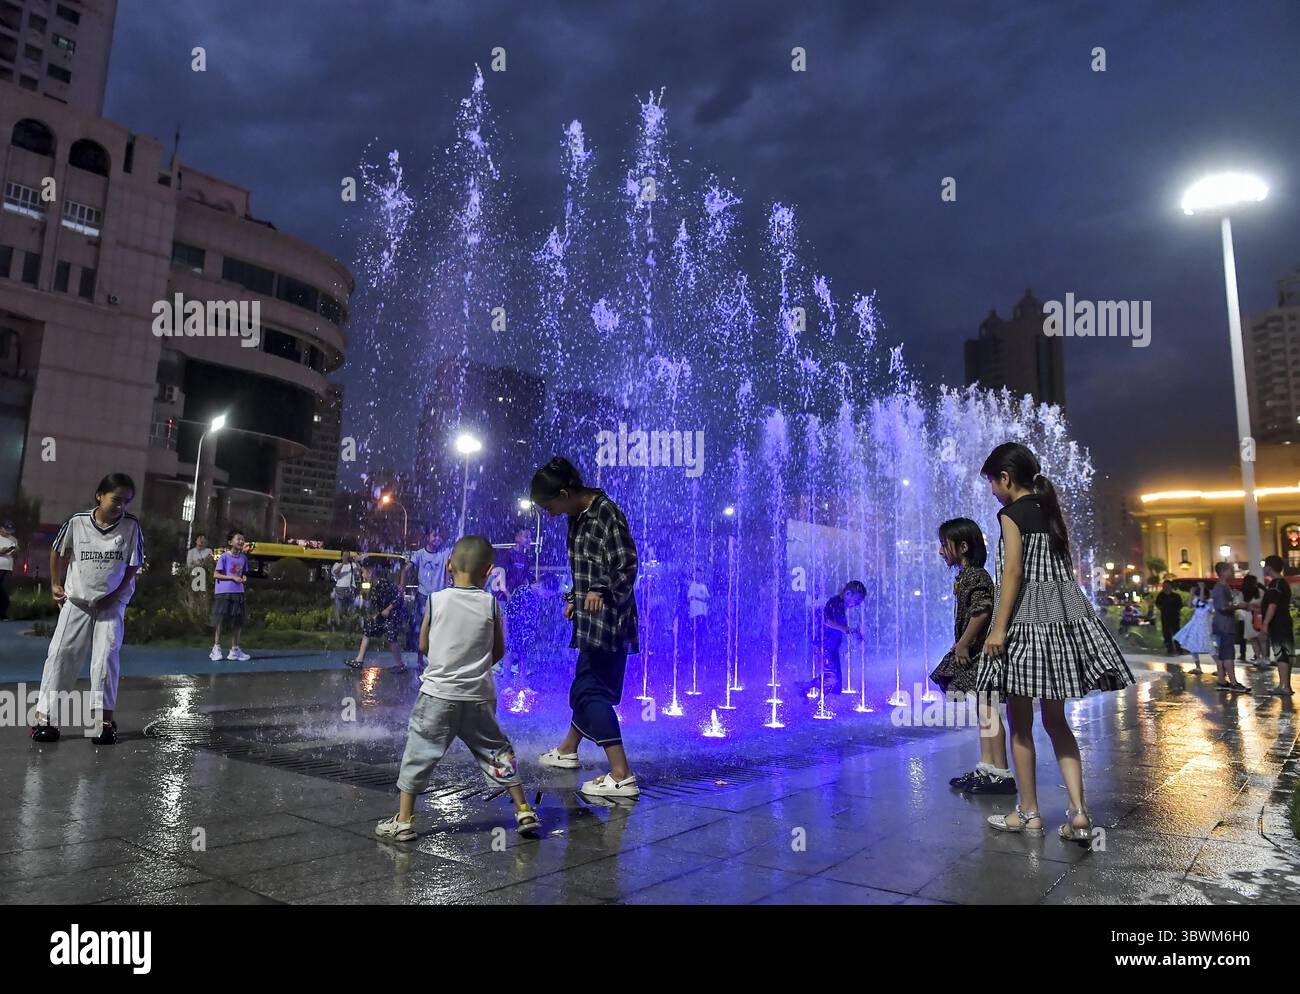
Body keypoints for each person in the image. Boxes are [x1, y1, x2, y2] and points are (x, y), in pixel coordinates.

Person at [976, 442, 1134, 842]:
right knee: (1056, 721)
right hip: (1063, 620)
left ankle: (1028, 814)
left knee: (1020, 726)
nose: (993, 490)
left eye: (993, 482)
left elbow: (1012, 572)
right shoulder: (1049, 511)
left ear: (1006, 479)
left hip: (1026, 624)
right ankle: (1079, 811)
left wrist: (998, 628)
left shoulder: (1010, 514)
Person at [375, 536, 542, 841]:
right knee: (498, 750)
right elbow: (500, 651)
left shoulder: (436, 600)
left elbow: (423, 646)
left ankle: (404, 821)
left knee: (418, 752)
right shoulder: (491, 604)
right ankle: (523, 810)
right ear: (489, 571)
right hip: (478, 696)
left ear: (449, 566)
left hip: (437, 696)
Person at [530, 457, 641, 797]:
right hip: (590, 620)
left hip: (609, 621)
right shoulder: (576, 517)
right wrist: (574, 599)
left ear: (564, 493)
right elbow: (586, 567)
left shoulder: (607, 512)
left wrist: (600, 591)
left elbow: (627, 564)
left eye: (549, 505)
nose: (547, 513)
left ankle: (621, 774)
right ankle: (567, 750)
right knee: (588, 687)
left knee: (590, 692)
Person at [30, 473, 144, 745]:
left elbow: (132, 565)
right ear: (99, 495)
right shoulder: (77, 522)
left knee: (105, 659)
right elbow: (58, 551)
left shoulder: (131, 526)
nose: (121, 506)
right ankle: (44, 718)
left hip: (111, 604)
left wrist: (114, 595)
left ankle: (102, 721)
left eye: (126, 502)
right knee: (60, 655)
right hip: (77, 601)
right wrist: (55, 584)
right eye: (116, 499)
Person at [931, 518, 1012, 795]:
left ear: (963, 547)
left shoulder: (976, 575)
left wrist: (963, 644)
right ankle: (988, 768)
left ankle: (1000, 773)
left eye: (945, 545)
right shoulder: (967, 575)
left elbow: (982, 610)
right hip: (976, 652)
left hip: (981, 654)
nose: (941, 551)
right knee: (983, 710)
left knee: (988, 710)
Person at [798, 579, 866, 700]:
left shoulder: (840, 605)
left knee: (836, 684)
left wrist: (853, 632)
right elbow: (826, 620)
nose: (856, 605)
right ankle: (804, 688)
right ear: (848, 594)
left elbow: (841, 627)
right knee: (832, 678)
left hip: (832, 647)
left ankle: (810, 692)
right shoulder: (834, 602)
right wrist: (845, 629)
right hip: (824, 646)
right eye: (856, 601)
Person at [347, 558, 407, 672]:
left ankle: (400, 665)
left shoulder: (383, 583)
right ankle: (359, 660)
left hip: (393, 615)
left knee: (391, 637)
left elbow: (399, 597)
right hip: (384, 615)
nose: (363, 576)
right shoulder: (374, 586)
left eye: (363, 572)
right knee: (368, 628)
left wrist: (388, 609)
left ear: (370, 572)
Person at [408, 527, 452, 668]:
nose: (437, 539)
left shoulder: (444, 553)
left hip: (439, 597)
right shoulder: (420, 554)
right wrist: (402, 585)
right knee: (422, 628)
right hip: (422, 596)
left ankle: (434, 659)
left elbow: (448, 570)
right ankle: (420, 659)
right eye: (434, 536)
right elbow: (406, 568)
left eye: (439, 536)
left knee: (438, 629)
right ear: (428, 537)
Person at [210, 531, 251, 662]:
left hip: (238, 593)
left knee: (238, 622)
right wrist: (231, 578)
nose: (241, 542)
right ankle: (216, 649)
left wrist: (243, 577)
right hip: (224, 593)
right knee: (220, 621)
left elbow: (243, 574)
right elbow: (216, 574)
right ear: (230, 542)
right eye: (238, 539)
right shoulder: (224, 557)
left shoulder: (243, 558)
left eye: (242, 539)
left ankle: (235, 650)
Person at [1210, 562, 1247, 692]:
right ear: (1224, 572)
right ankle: (1233, 682)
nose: (1233, 573)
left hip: (1224, 624)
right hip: (1225, 625)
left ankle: (1222, 680)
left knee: (1223, 653)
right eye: (1231, 570)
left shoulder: (1223, 587)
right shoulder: (1220, 588)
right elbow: (1223, 607)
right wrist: (1238, 606)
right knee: (1228, 654)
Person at [1260, 555, 1294, 697]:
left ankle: (1284, 686)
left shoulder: (1275, 584)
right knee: (1285, 653)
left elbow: (1272, 606)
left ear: (1269, 567)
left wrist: (1265, 625)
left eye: (1265, 565)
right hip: (1284, 621)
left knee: (1281, 653)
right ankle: (1286, 684)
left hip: (1278, 623)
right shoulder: (1282, 583)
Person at [1172, 582, 1213, 672]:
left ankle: (1220, 667)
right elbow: (1189, 605)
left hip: (1205, 626)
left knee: (1209, 647)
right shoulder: (1198, 600)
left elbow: (1202, 600)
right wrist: (1192, 592)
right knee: (1192, 645)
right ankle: (1198, 667)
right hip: (1195, 625)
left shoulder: (1210, 602)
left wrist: (1202, 587)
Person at [1236, 574, 1265, 663]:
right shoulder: (1260, 591)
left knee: (1254, 639)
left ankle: (1258, 657)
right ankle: (1263, 657)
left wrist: (1248, 606)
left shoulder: (1243, 593)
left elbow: (1240, 605)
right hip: (1258, 616)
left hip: (1249, 616)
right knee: (1259, 638)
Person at [330, 550, 358, 626]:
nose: (346, 557)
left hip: (350, 589)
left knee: (350, 610)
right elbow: (335, 572)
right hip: (340, 589)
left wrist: (356, 561)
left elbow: (358, 571)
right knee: (339, 609)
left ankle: (349, 626)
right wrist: (343, 563)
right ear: (341, 556)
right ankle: (337, 625)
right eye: (345, 555)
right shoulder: (337, 564)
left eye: (347, 556)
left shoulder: (352, 565)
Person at [1155, 580, 1183, 654]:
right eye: (1164, 586)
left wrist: (1174, 610)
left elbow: (1180, 605)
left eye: (1167, 586)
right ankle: (1169, 648)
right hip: (1165, 617)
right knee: (1166, 633)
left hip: (1175, 617)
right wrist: (1163, 608)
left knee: (1176, 632)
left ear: (1170, 587)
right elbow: (1158, 604)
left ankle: (1178, 648)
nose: (1165, 588)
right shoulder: (1161, 595)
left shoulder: (1176, 596)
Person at [0, 520, 18, 621]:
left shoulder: (13, 540)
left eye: (10, 531)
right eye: (7, 530)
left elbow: (17, 553)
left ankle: (2, 614)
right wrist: (5, 550)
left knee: (4, 592)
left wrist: (15, 551)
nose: (8, 533)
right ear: (1, 529)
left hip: (7, 569)